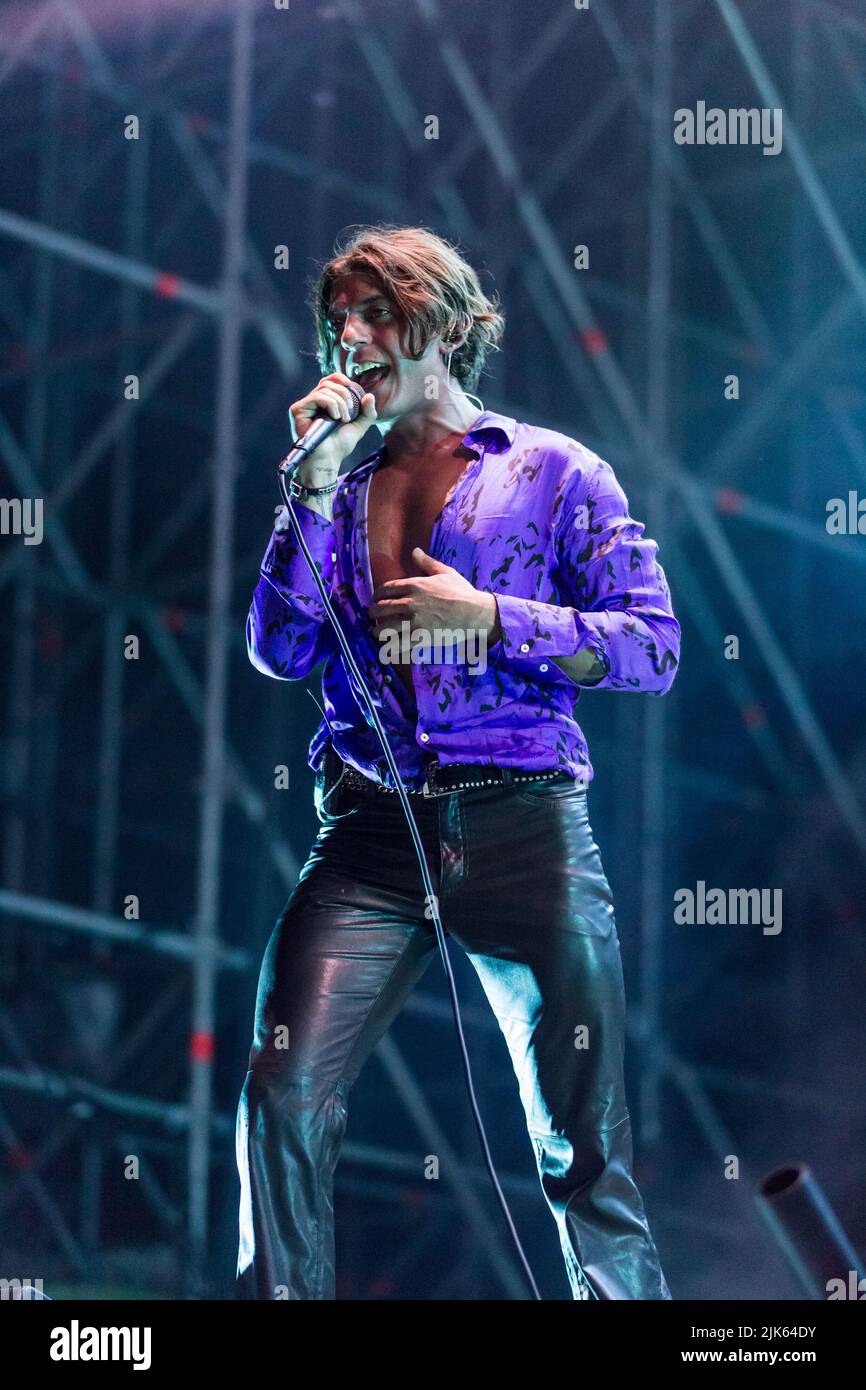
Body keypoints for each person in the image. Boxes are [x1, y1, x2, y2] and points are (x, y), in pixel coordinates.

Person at [235, 224, 679, 1300]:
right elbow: (276, 648)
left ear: (440, 323)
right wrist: (305, 490)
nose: (350, 337)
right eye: (338, 319)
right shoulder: (335, 490)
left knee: (581, 1142)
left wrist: (487, 617)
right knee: (283, 1086)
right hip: (370, 835)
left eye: (375, 313)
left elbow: (653, 645)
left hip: (523, 825)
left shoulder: (552, 472)